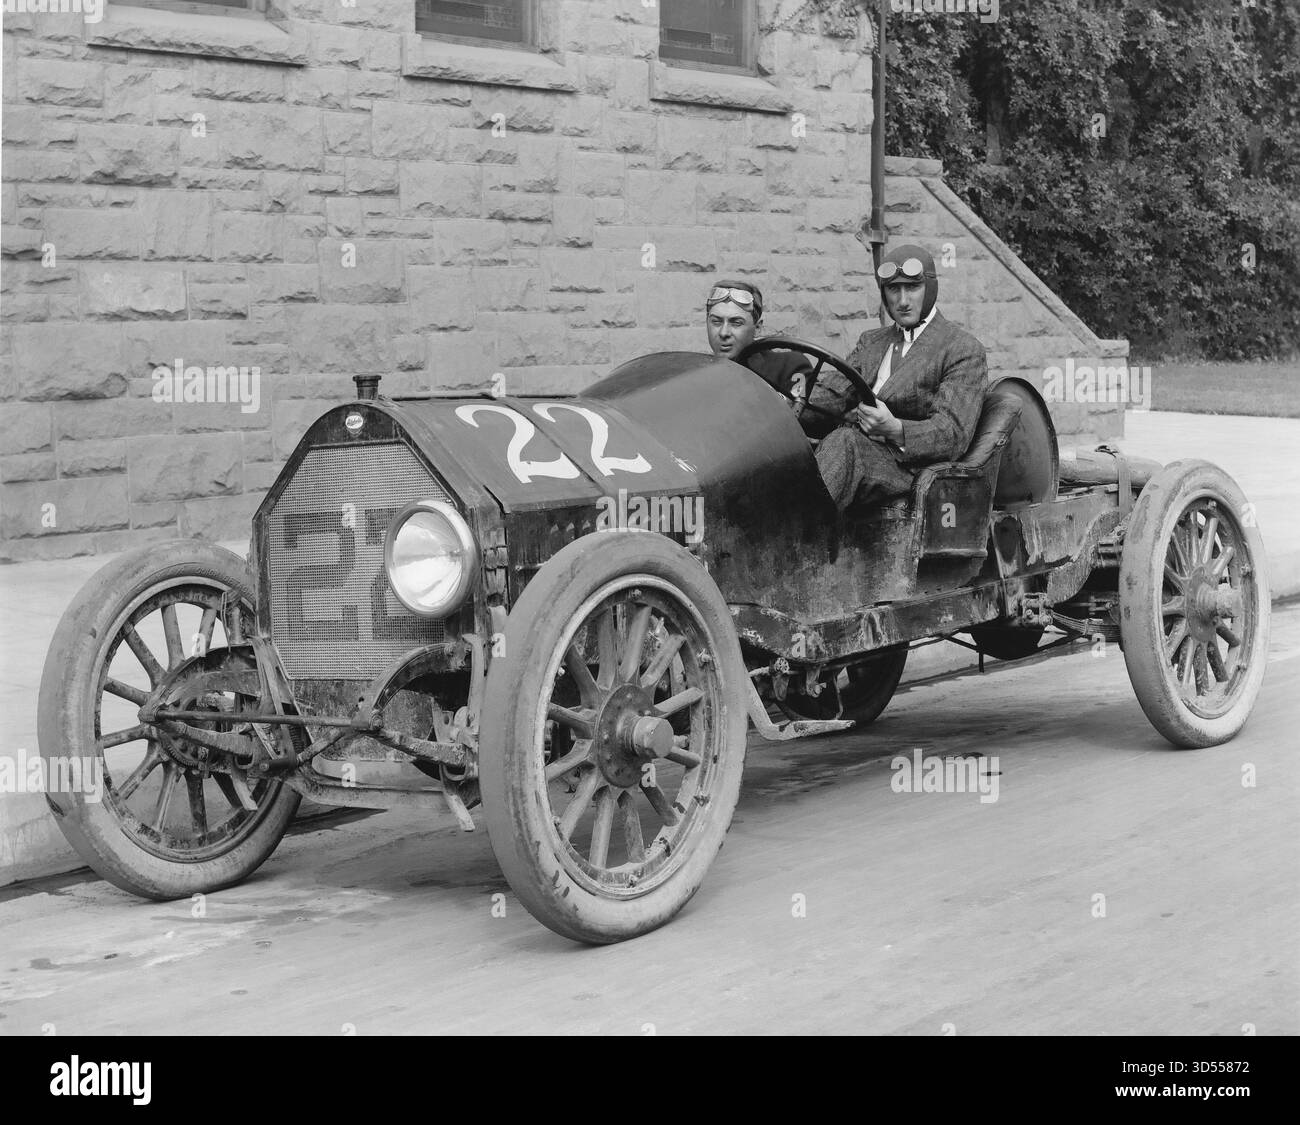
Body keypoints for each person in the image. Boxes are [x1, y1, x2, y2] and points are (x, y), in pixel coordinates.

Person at [806, 244, 988, 512]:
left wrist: (894, 429)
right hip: (847, 455)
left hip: (909, 472)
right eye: (893, 289)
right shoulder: (872, 341)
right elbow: (834, 393)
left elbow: (952, 433)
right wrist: (780, 402)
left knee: (847, 442)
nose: (903, 301)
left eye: (912, 288)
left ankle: (795, 536)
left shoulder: (960, 348)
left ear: (930, 289)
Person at [704, 280, 811, 398]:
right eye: (716, 322)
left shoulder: (789, 366)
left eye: (736, 323)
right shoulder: (697, 375)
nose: (724, 333)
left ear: (758, 327)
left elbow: (799, 413)